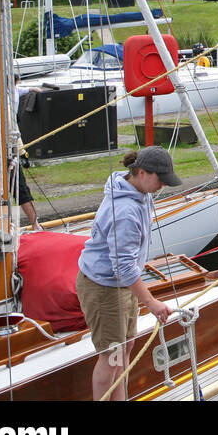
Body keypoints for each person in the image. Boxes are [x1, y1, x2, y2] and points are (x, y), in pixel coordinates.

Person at [76, 146, 180, 400]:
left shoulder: (138, 191)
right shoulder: (124, 211)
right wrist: (152, 302)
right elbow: (122, 267)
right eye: (160, 180)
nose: (162, 187)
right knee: (112, 356)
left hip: (121, 284)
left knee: (125, 347)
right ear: (142, 172)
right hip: (105, 288)